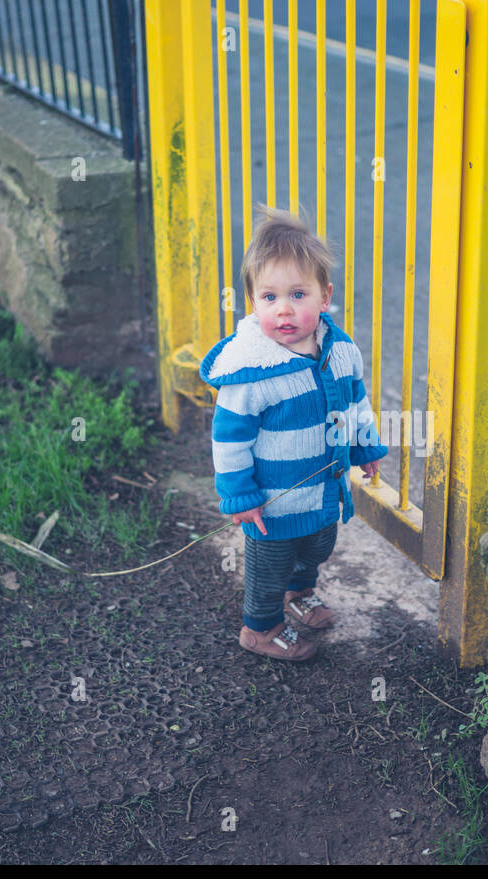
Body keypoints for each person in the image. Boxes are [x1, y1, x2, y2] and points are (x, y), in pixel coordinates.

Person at [199, 204, 388, 661]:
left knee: (319, 544)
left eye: (298, 294)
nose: (283, 309)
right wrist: (239, 495)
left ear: (325, 297)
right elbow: (229, 439)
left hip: (323, 491)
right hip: (273, 502)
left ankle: (299, 594)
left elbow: (355, 402)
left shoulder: (339, 351)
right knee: (271, 566)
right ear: (252, 301)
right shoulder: (252, 372)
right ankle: (260, 629)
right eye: (269, 297)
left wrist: (365, 444)